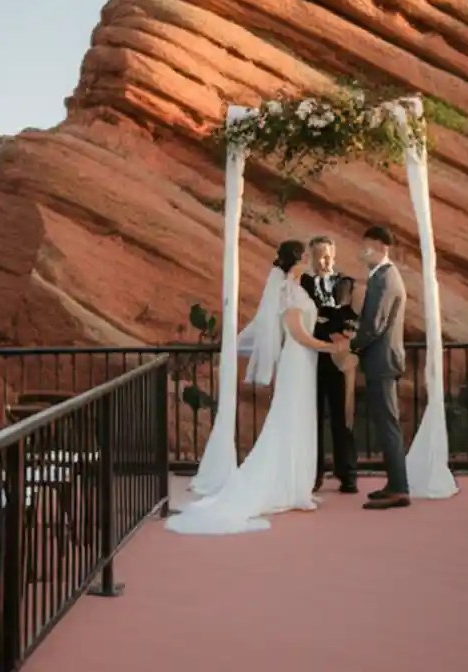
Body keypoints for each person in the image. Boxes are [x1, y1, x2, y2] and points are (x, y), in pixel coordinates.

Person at [166, 240, 348, 535]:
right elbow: (299, 334)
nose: (310, 261)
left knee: (301, 424)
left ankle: (296, 487)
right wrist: (332, 347)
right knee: (289, 423)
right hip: (297, 363)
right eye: (305, 257)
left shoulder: (300, 290)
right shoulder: (289, 294)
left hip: (306, 365)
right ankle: (289, 488)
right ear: (297, 261)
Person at [345, 225, 410, 510]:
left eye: (368, 246)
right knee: (385, 424)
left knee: (388, 425)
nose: (363, 251)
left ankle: (400, 488)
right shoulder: (382, 277)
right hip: (381, 360)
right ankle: (394, 484)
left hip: (382, 362)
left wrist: (353, 346)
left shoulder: (385, 279)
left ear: (383, 248)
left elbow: (374, 324)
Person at [299, 236, 358, 494]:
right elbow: (311, 316)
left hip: (337, 357)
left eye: (327, 255)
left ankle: (347, 472)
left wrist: (326, 319)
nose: (323, 261)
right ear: (311, 257)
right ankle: (314, 473)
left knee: (341, 415)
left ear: (334, 256)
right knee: (313, 417)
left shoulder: (343, 282)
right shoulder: (304, 282)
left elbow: (341, 313)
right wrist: (326, 319)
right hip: (311, 358)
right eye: (318, 255)